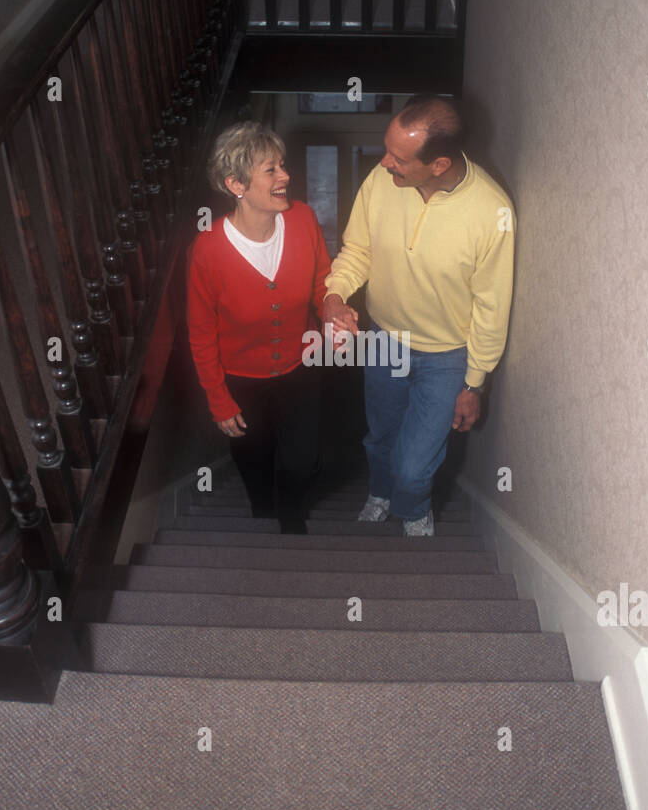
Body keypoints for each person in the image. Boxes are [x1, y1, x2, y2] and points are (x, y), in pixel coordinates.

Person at [322, 96, 515, 536]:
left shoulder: (493, 214)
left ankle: (412, 510)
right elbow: (357, 251)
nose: (385, 162)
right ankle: (380, 493)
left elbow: (492, 305)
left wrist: (474, 382)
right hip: (385, 342)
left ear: (439, 163)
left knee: (413, 465)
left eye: (398, 157)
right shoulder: (380, 181)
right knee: (380, 439)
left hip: (446, 358)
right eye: (386, 149)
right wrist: (335, 295)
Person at [187, 121, 331, 534]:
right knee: (253, 455)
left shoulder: (303, 219)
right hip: (240, 381)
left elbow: (323, 281)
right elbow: (200, 332)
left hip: (300, 369)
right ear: (236, 184)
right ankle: (263, 515)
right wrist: (218, 399)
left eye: (282, 166)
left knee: (303, 459)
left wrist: (333, 312)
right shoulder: (208, 249)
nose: (285, 176)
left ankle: (290, 517)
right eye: (271, 170)